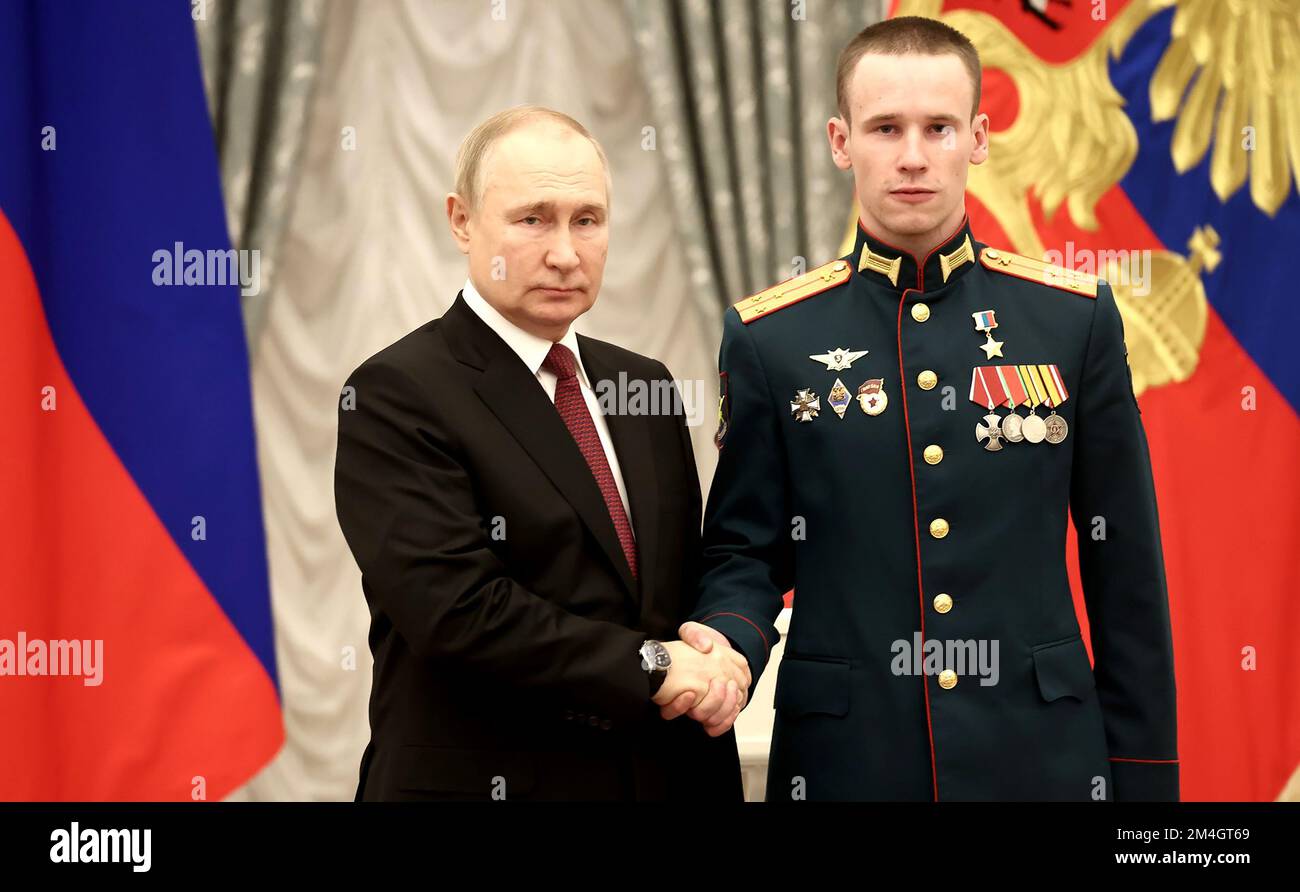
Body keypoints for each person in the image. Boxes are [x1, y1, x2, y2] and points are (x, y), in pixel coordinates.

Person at [667, 16, 1179, 801]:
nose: (912, 155)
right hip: (849, 763)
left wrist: (1145, 786)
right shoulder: (773, 338)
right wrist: (730, 643)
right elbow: (747, 550)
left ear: (978, 136)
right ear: (841, 141)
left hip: (1038, 758)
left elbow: (1127, 573)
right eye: (885, 128)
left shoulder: (1072, 322)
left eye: (938, 127)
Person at [334, 106, 746, 801]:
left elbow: (674, 589)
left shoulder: (642, 383)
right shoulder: (395, 392)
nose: (565, 252)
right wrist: (652, 665)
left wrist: (722, 652)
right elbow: (458, 612)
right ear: (461, 220)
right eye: (533, 219)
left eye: (587, 220)